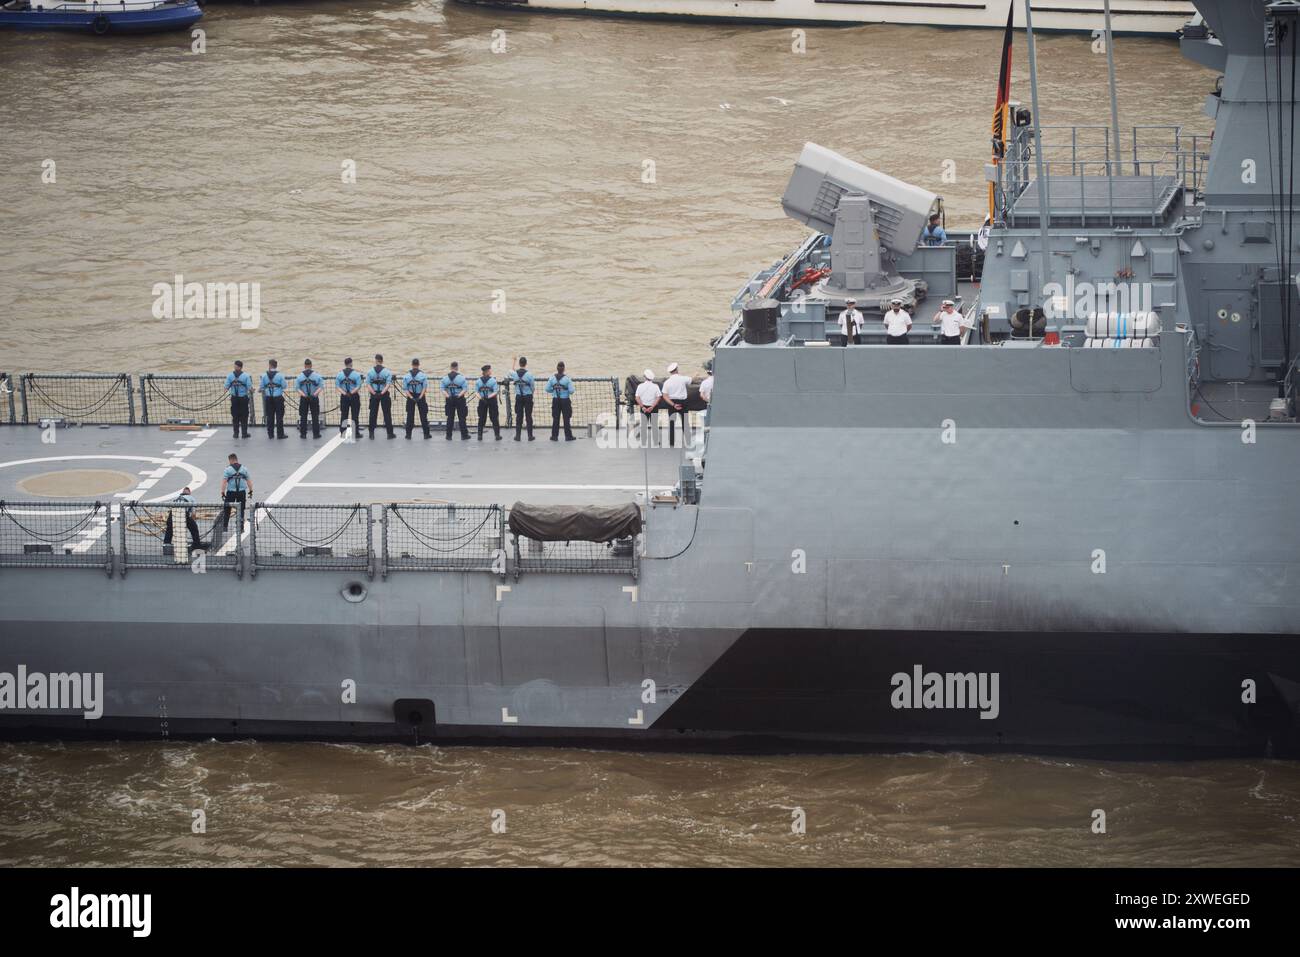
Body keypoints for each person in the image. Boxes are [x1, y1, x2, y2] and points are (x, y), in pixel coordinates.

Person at [660, 362, 692, 448]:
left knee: (671, 422)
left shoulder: (667, 382)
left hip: (672, 403)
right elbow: (691, 380)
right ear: (677, 369)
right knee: (685, 422)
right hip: (683, 402)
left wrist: (673, 404)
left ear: (670, 372)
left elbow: (665, 396)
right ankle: (688, 441)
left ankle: (671, 442)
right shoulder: (683, 379)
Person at [162, 485, 203, 552]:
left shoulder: (177, 498)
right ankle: (197, 545)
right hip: (183, 513)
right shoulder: (191, 498)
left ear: (182, 492)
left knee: (169, 529)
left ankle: (166, 544)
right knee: (194, 529)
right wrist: (192, 522)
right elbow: (193, 513)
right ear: (189, 493)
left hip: (172, 514)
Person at [220, 453, 252, 532]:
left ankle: (225, 526)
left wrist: (222, 492)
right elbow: (249, 481)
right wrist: (251, 491)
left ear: (230, 460)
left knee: (227, 508)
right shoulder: (244, 469)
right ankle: (240, 527)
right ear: (236, 459)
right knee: (241, 509)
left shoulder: (228, 469)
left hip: (231, 492)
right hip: (241, 492)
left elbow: (224, 482)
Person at [366, 354, 395, 439]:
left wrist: (374, 393)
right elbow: (388, 385)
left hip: (374, 394)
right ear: (382, 361)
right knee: (387, 414)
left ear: (375, 360)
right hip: (384, 395)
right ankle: (390, 434)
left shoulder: (370, 372)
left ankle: (371, 434)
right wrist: (382, 393)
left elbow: (368, 384)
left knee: (373, 414)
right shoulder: (387, 372)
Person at [401, 358, 431, 439]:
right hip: (420, 396)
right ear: (418, 364)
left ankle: (408, 435)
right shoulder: (423, 375)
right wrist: (420, 397)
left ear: (412, 364)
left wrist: (411, 397)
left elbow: (405, 389)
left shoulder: (406, 376)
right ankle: (426, 434)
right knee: (423, 415)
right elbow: (424, 388)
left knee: (410, 416)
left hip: (410, 397)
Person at [546, 361, 576, 441]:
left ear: (557, 368)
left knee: (555, 418)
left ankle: (554, 436)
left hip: (555, 400)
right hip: (565, 400)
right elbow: (572, 391)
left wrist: (554, 390)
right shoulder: (567, 379)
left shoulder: (552, 378)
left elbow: (547, 389)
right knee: (566, 419)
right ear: (564, 369)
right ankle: (568, 436)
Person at [440, 361, 471, 440]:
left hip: (449, 399)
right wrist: (459, 395)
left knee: (450, 418)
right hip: (459, 399)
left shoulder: (445, 378)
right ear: (457, 367)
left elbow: (442, 389)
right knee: (462, 417)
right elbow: (465, 389)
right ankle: (464, 435)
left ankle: (448, 436)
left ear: (450, 368)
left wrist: (448, 396)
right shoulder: (461, 378)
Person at [259, 359, 288, 439]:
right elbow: (284, 386)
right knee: (279, 416)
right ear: (276, 365)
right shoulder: (280, 375)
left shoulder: (264, 375)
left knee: (270, 416)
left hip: (268, 398)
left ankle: (270, 434)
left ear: (269, 365)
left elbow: (261, 387)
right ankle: (280, 434)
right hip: (278, 398)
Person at [508, 357, 535, 442]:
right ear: (526, 364)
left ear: (519, 364)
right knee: (528, 416)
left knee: (519, 416)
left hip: (518, 397)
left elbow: (510, 370)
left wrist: (514, 361)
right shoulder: (529, 375)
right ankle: (530, 436)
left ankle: (518, 436)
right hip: (528, 397)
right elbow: (533, 387)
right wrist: (531, 394)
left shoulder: (514, 374)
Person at [295, 358, 324, 439]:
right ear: (311, 366)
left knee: (303, 416)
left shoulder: (300, 376)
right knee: (315, 416)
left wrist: (304, 395)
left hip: (304, 398)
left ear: (304, 366)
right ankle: (316, 434)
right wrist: (314, 394)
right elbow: (321, 387)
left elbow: (297, 388)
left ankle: (303, 434)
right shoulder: (317, 375)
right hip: (314, 398)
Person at [224, 360, 252, 439]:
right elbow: (250, 387)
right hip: (243, 398)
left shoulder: (230, 376)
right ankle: (244, 433)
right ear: (241, 367)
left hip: (234, 398)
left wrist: (229, 388)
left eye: (235, 366)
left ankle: (236, 434)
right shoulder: (246, 376)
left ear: (236, 366)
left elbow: (226, 387)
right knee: (244, 416)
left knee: (235, 416)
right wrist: (252, 390)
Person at [335, 357, 363, 438]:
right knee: (355, 415)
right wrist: (351, 393)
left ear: (345, 364)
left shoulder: (339, 374)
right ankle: (356, 433)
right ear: (351, 363)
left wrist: (344, 393)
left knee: (344, 415)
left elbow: (337, 386)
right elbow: (358, 386)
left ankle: (343, 433)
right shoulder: (356, 374)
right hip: (354, 396)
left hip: (344, 397)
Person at [634, 369, 662, 448]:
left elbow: (637, 397)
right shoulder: (655, 386)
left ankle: (643, 442)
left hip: (644, 407)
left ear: (644, 377)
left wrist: (642, 407)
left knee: (643, 425)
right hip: (653, 407)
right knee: (654, 425)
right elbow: (658, 397)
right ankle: (656, 441)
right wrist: (652, 406)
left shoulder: (640, 386)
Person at [475, 364, 502, 440]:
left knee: (481, 418)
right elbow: (495, 392)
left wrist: (481, 398)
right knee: (494, 418)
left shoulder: (478, 381)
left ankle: (480, 436)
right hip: (492, 401)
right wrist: (488, 397)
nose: (491, 371)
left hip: (482, 401)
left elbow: (476, 392)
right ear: (487, 371)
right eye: (490, 370)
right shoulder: (493, 380)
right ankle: (497, 435)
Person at [699, 362, 714, 427]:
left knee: (708, 422)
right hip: (720, 404)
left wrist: (709, 401)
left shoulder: (704, 382)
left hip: (710, 404)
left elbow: (702, 395)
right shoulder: (721, 381)